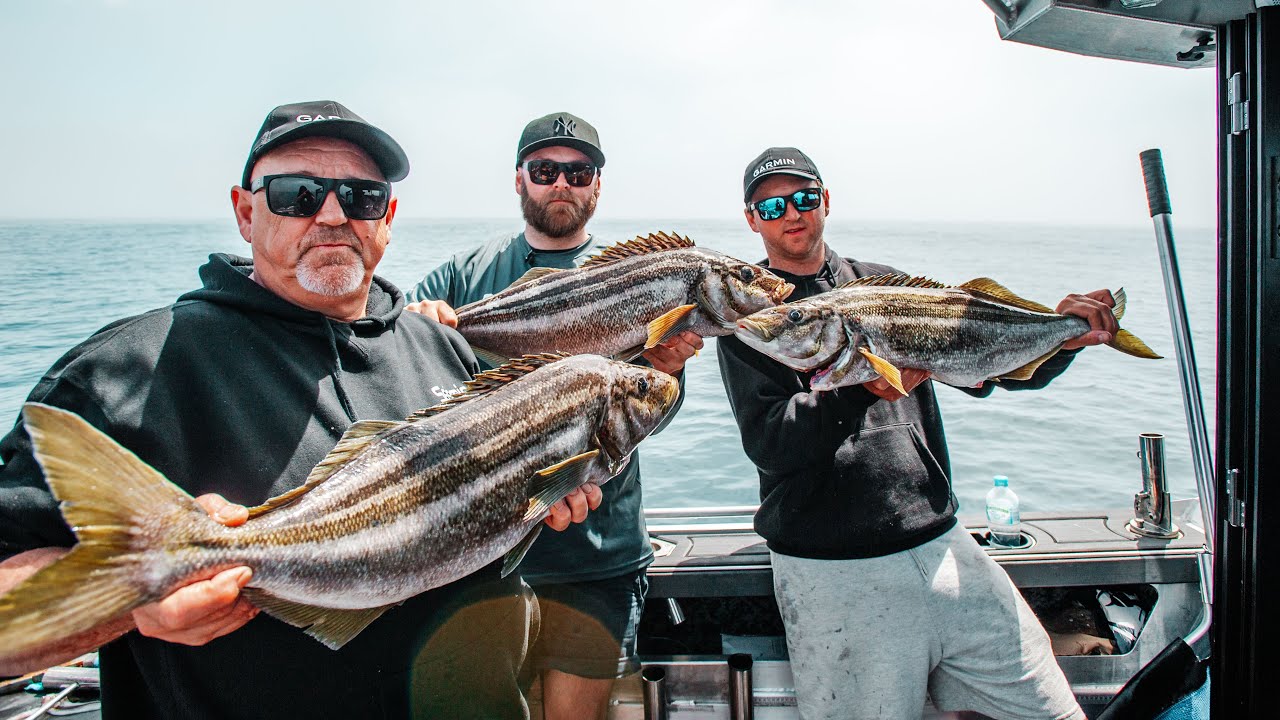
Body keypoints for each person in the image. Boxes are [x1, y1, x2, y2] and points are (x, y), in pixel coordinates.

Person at [0, 100, 601, 720]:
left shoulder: (445, 348)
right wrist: (133, 598)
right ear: (245, 212)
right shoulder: (132, 369)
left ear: (388, 218)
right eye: (298, 194)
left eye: (362, 196)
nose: (333, 215)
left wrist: (544, 498)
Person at [717, 147, 1119, 720]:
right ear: (752, 220)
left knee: (1052, 711)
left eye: (803, 197)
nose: (792, 213)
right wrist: (862, 390)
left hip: (943, 542)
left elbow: (988, 374)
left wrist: (1061, 340)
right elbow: (770, 444)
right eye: (772, 206)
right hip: (832, 571)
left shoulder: (888, 286)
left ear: (825, 200)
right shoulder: (756, 323)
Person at [403, 112, 701, 720]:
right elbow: (401, 377)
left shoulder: (638, 280)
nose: (561, 183)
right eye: (544, 170)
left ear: (597, 185)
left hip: (598, 551)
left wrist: (666, 369)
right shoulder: (462, 277)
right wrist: (420, 326)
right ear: (519, 179)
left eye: (578, 171)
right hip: (480, 551)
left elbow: (651, 413)